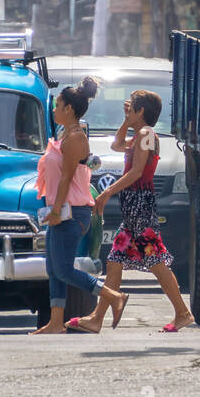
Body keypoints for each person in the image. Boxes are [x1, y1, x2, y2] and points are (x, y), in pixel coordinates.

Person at [80, 89, 194, 333]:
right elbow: (117, 144)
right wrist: (126, 120)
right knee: (114, 262)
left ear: (141, 111)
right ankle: (97, 317)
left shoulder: (146, 134)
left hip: (140, 207)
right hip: (132, 208)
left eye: (130, 108)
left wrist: (107, 192)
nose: (127, 111)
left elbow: (137, 171)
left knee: (155, 261)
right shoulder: (140, 133)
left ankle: (183, 313)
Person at [32, 79, 128, 335]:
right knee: (53, 269)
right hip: (61, 209)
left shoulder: (74, 138)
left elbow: (66, 178)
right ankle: (55, 322)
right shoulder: (66, 134)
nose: (53, 109)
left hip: (71, 212)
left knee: (63, 269)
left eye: (58, 105)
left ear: (70, 110)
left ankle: (111, 295)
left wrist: (55, 210)